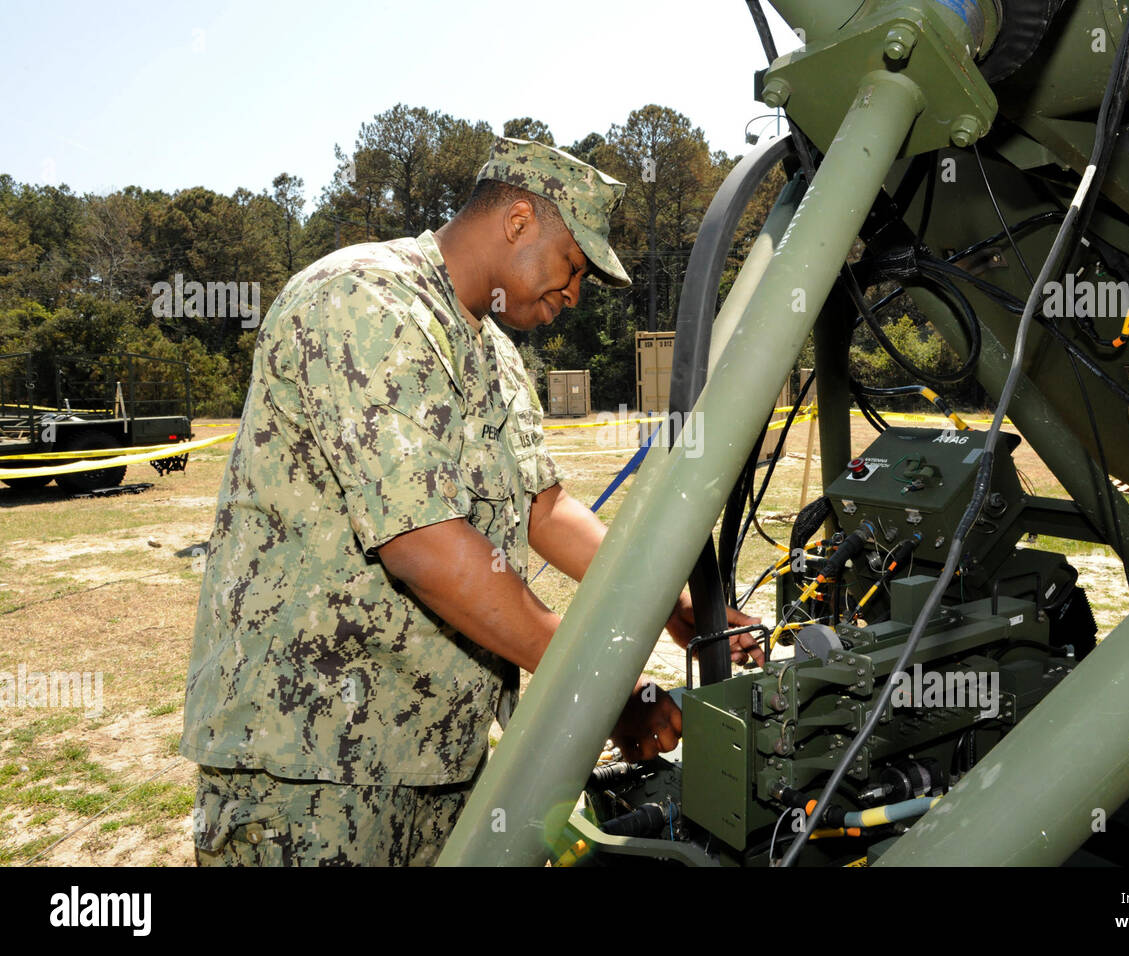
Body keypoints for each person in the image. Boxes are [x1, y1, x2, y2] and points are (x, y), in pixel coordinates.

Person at [181, 137, 762, 866]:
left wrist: (672, 601)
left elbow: (542, 510)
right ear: (518, 221)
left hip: (434, 757)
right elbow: (425, 545)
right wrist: (601, 685)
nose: (573, 294)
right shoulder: (365, 301)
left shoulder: (493, 352)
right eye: (573, 265)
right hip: (309, 762)